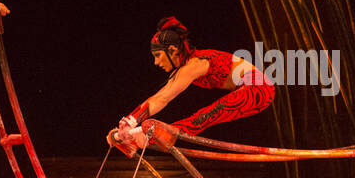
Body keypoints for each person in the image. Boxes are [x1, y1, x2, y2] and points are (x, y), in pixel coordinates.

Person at [111, 17, 274, 152]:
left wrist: (132, 125)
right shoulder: (185, 68)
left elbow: (163, 99)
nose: (156, 62)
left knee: (206, 115)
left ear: (173, 50)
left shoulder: (195, 63)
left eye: (158, 55)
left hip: (259, 87)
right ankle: (141, 138)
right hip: (250, 90)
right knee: (205, 115)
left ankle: (150, 138)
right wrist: (129, 122)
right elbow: (159, 97)